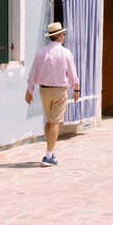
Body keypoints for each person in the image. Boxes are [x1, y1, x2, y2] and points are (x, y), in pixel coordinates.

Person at [26, 20, 80, 166]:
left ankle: (51, 150)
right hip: (59, 91)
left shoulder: (41, 52)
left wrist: (29, 91)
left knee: (49, 121)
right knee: (55, 122)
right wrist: (76, 89)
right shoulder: (65, 53)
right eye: (63, 34)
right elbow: (72, 74)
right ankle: (48, 155)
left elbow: (33, 73)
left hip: (44, 90)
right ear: (60, 35)